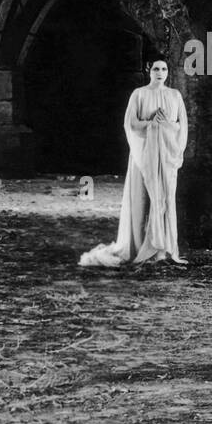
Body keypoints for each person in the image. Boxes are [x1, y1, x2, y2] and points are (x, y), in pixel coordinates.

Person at [80, 54, 188, 267]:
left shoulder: (175, 96)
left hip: (166, 155)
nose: (160, 73)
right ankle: (141, 247)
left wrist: (166, 124)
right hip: (144, 154)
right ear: (149, 70)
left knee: (165, 199)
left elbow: (182, 126)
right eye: (156, 69)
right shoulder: (139, 94)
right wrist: (150, 123)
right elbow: (130, 124)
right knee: (143, 199)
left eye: (164, 69)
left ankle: (162, 249)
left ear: (168, 72)